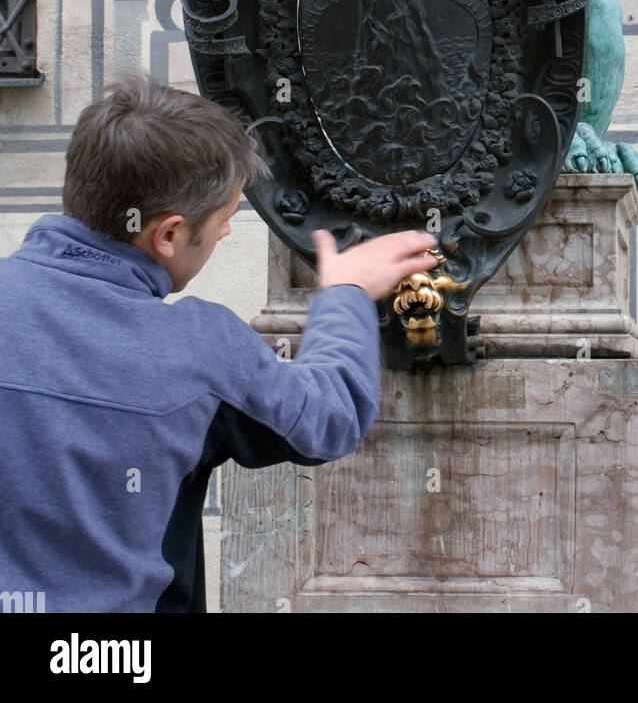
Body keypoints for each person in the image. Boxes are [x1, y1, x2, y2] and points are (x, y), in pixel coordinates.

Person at [0, 71, 436, 613]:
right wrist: (346, 293)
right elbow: (329, 417)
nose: (227, 232)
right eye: (224, 218)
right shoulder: (200, 350)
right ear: (168, 234)